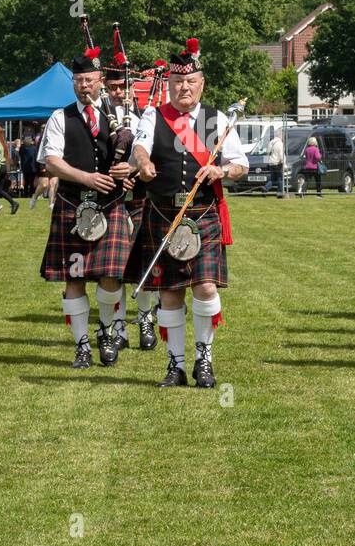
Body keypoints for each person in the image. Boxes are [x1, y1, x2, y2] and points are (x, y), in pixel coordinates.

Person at [131, 37, 249, 387]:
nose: (184, 88)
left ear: (201, 84)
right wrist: (143, 163)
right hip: (163, 212)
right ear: (169, 85)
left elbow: (240, 164)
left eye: (191, 82)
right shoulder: (154, 115)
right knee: (169, 292)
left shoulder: (216, 119)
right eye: (178, 82)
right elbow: (140, 146)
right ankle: (175, 365)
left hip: (202, 214)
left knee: (206, 288)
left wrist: (220, 171)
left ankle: (204, 360)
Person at [38, 44, 138, 369]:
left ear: (100, 82)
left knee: (112, 276)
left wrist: (131, 169)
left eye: (89, 79)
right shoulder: (59, 117)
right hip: (72, 203)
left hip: (111, 205)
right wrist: (86, 178)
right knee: (74, 277)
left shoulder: (122, 116)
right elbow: (51, 161)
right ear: (74, 83)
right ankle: (81, 344)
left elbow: (142, 153)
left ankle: (106, 331)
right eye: (79, 80)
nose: (84, 85)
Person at [104, 38, 157, 351]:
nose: (117, 93)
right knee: (115, 268)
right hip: (110, 202)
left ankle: (147, 319)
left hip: (139, 198)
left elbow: (153, 154)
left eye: (122, 87)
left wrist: (134, 173)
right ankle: (120, 326)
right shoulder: (98, 120)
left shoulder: (145, 117)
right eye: (112, 88)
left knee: (143, 263)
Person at [266, 130, 285, 198]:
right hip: (278, 163)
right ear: (280, 135)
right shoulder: (280, 143)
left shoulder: (271, 142)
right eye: (282, 136)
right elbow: (281, 154)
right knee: (280, 179)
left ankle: (265, 188)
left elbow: (267, 152)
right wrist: (283, 162)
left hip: (271, 163)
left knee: (272, 179)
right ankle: (280, 193)